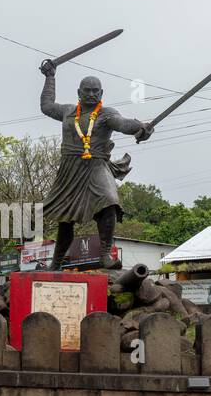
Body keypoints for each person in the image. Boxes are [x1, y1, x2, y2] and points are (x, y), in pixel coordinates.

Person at [38, 59, 152, 270]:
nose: (91, 94)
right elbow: (46, 106)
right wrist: (50, 77)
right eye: (87, 90)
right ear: (79, 92)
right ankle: (56, 263)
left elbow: (123, 123)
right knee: (65, 218)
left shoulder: (106, 114)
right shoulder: (68, 111)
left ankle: (105, 255)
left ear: (101, 94)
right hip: (69, 169)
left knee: (109, 200)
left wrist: (140, 126)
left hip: (96, 166)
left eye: (95, 91)